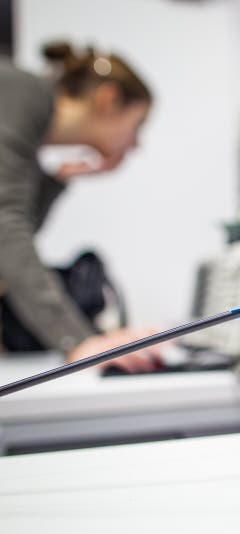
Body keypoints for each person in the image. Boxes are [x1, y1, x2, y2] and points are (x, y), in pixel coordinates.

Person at [0, 42, 163, 372]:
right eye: (137, 125)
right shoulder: (25, 93)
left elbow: (15, 230)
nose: (136, 144)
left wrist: (61, 178)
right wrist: (77, 340)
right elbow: (6, 227)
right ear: (108, 100)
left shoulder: (30, 123)